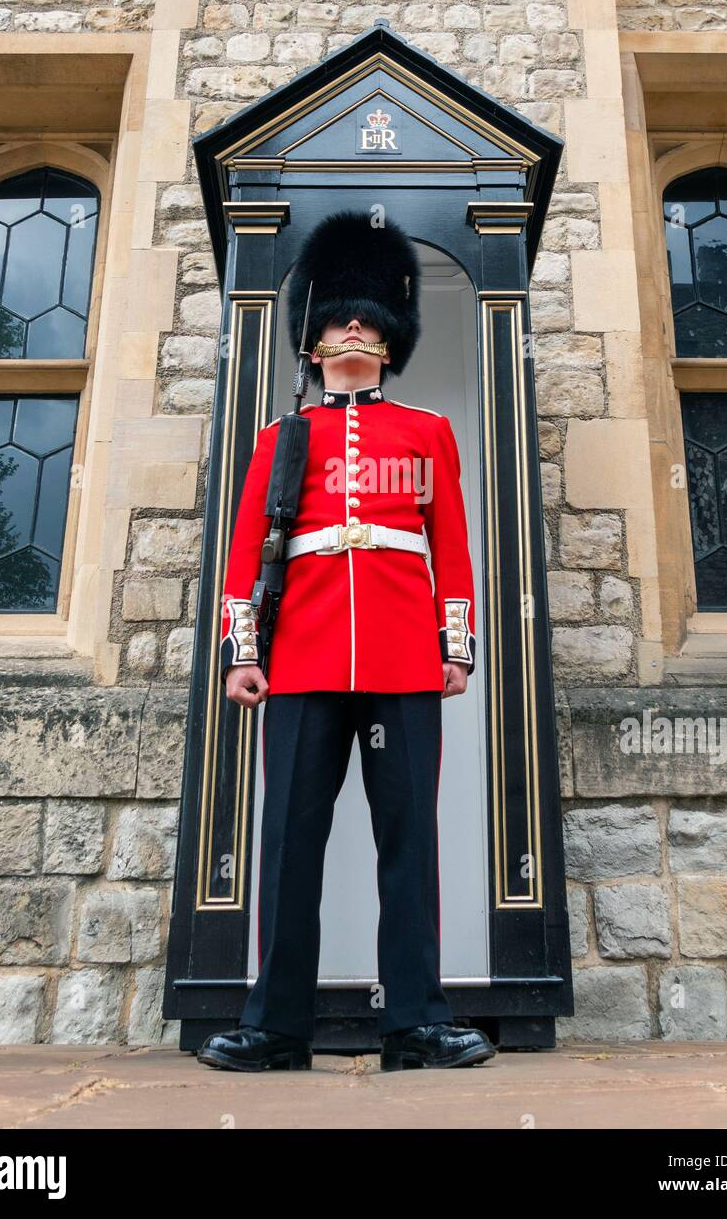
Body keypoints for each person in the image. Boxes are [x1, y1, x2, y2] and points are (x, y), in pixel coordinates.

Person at [197, 210, 495, 1072]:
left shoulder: (428, 433)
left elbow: (451, 549)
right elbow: (247, 551)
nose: (354, 324)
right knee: (290, 842)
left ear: (391, 334)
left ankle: (416, 1022)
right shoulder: (277, 440)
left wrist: (457, 646)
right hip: (300, 663)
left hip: (403, 658)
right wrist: (241, 653)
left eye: (367, 313)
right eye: (337, 314)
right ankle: (277, 1025)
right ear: (314, 338)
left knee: (410, 841)